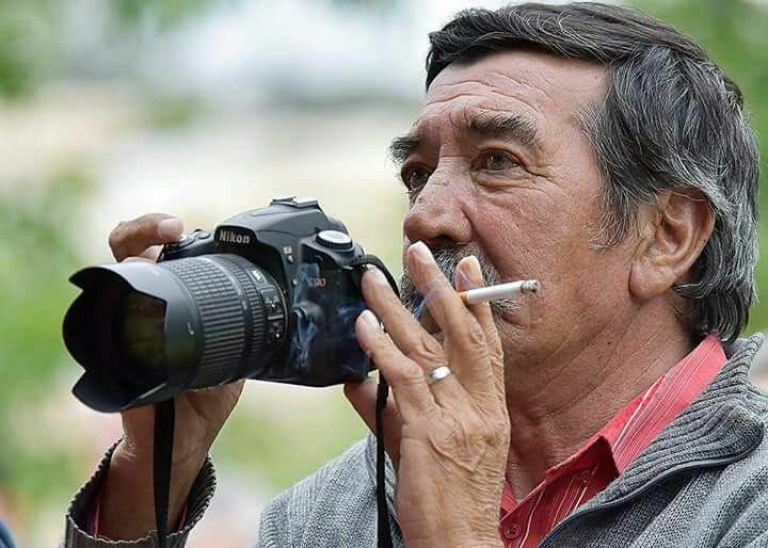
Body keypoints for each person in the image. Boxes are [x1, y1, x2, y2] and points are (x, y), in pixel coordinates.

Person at [64, 2, 768, 547]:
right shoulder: (326, 513)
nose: (424, 217)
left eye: (498, 162)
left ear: (667, 237)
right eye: (417, 174)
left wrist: (457, 532)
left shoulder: (751, 496)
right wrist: (147, 481)